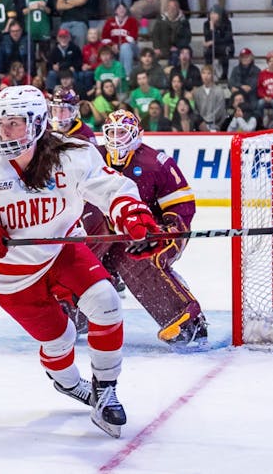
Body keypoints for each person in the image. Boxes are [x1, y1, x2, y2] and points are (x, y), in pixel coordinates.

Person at [0, 85, 164, 438]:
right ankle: (68, 383)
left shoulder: (73, 155)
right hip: (10, 274)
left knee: (107, 303)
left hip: (61, 248)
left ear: (37, 123)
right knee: (61, 338)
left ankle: (106, 389)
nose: (5, 131)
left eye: (15, 123)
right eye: (1, 123)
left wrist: (133, 214)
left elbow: (111, 188)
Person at [82, 108, 206, 348]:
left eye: (122, 132)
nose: (116, 138)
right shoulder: (91, 158)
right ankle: (71, 315)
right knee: (78, 265)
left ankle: (186, 320)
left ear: (136, 134)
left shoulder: (156, 163)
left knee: (139, 256)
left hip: (146, 232)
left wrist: (168, 232)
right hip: (99, 235)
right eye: (112, 132)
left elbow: (181, 206)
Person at [202, 6, 234, 81]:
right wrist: (211, 29)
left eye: (215, 13)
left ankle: (224, 76)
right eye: (211, 13)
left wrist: (213, 41)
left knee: (224, 50)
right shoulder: (206, 24)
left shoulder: (227, 23)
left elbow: (227, 38)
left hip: (226, 45)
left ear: (220, 14)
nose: (212, 16)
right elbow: (208, 38)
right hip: (214, 47)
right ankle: (209, 74)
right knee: (208, 52)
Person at [194, 64, 226, 131]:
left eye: (208, 73)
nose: (206, 76)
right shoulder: (197, 91)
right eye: (203, 73)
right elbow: (196, 110)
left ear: (212, 75)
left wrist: (208, 120)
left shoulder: (219, 91)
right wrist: (201, 122)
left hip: (215, 124)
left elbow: (220, 109)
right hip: (201, 125)